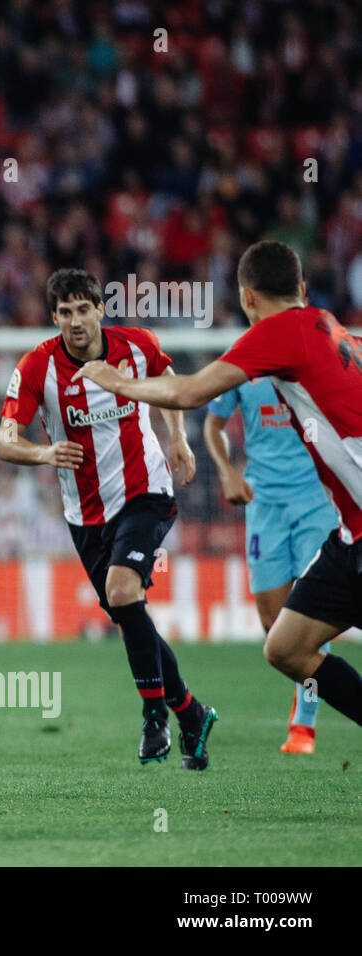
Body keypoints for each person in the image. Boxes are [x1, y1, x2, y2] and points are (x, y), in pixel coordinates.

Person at [75, 240, 362, 736]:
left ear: (248, 298)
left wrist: (115, 382)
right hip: (350, 534)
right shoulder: (328, 326)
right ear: (301, 288)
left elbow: (187, 391)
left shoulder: (279, 332)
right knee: (286, 646)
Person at [0, 268, 218, 769]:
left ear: (100, 309)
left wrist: (179, 439)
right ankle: (191, 713)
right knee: (128, 611)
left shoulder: (137, 346)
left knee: (122, 592)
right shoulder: (37, 366)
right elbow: (5, 441)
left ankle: (154, 716)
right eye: (65, 313)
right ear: (54, 317)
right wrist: (44, 454)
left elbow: (167, 385)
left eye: (83, 309)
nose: (75, 321)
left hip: (146, 492)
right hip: (85, 514)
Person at [205, 381, 337, 753]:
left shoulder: (308, 353)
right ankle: (306, 684)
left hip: (317, 499)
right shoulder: (241, 361)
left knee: (315, 608)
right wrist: (227, 471)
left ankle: (303, 725)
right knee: (274, 623)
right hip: (263, 502)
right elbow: (212, 424)